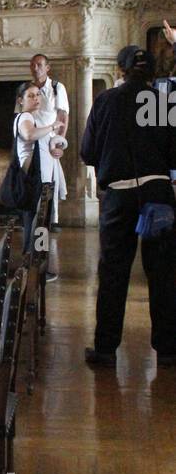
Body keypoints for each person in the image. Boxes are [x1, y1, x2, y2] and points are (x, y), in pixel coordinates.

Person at [80, 45, 176, 369]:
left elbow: (88, 152)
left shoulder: (106, 101)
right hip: (158, 196)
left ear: (119, 71)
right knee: (163, 274)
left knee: (113, 273)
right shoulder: (163, 102)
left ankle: (105, 349)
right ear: (151, 73)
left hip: (119, 198)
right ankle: (168, 350)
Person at [13, 83, 66, 252]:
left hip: (43, 177)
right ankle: (33, 264)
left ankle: (38, 263)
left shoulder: (36, 119)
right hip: (34, 178)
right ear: (20, 100)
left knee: (41, 223)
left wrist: (56, 148)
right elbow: (29, 134)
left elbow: (44, 143)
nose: (36, 99)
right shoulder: (25, 117)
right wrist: (52, 127)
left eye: (37, 95)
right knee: (36, 223)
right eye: (31, 96)